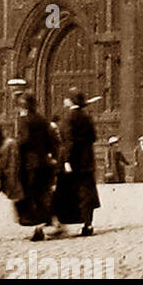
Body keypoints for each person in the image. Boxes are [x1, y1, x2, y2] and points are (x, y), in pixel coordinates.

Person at [14, 93, 63, 241]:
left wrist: (15, 145)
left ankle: (38, 228)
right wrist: (52, 157)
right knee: (43, 194)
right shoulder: (43, 120)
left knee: (31, 195)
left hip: (30, 163)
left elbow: (24, 140)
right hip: (44, 163)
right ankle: (52, 222)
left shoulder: (24, 120)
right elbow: (52, 141)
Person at [53, 91, 100, 236]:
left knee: (64, 192)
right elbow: (93, 137)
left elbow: (69, 140)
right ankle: (88, 225)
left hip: (73, 161)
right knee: (87, 192)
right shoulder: (87, 117)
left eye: (66, 98)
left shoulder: (68, 117)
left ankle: (59, 224)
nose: (64, 100)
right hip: (87, 160)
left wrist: (67, 160)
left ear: (71, 102)